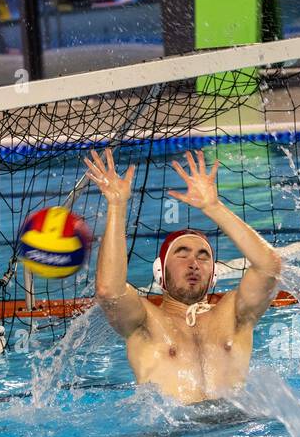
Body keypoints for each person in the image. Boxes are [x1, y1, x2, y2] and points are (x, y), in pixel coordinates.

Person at [84, 148, 284, 403]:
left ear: (213, 274)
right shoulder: (145, 321)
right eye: (182, 254)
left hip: (232, 430)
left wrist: (214, 207)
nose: (193, 263)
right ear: (160, 272)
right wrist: (116, 205)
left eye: (203, 256)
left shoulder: (234, 312)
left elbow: (269, 267)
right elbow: (109, 291)